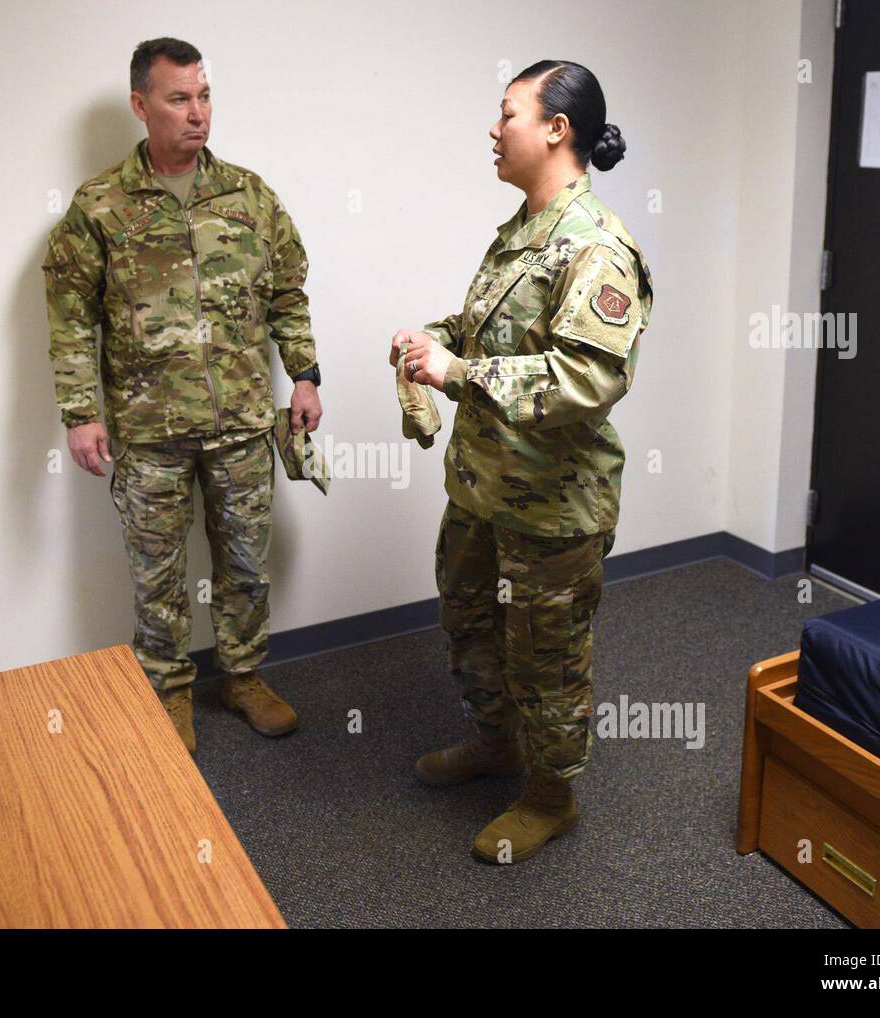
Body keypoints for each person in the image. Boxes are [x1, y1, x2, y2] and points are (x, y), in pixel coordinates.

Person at [390, 60, 652, 863]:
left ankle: (550, 796)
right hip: (483, 486)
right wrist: (434, 342)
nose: (493, 129)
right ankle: (496, 747)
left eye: (507, 113)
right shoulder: (521, 231)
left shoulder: (598, 246)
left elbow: (590, 375)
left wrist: (457, 374)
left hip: (551, 505)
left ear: (555, 129)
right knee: (471, 624)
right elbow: (496, 333)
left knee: (545, 656)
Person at [43, 37, 323, 756]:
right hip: (149, 430)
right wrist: (80, 413)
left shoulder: (249, 196)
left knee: (247, 563)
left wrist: (305, 374)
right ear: (141, 105)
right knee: (157, 573)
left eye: (203, 96)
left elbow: (289, 290)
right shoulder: (99, 207)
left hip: (240, 422)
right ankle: (168, 689)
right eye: (178, 99)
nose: (196, 114)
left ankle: (244, 675)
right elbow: (71, 315)